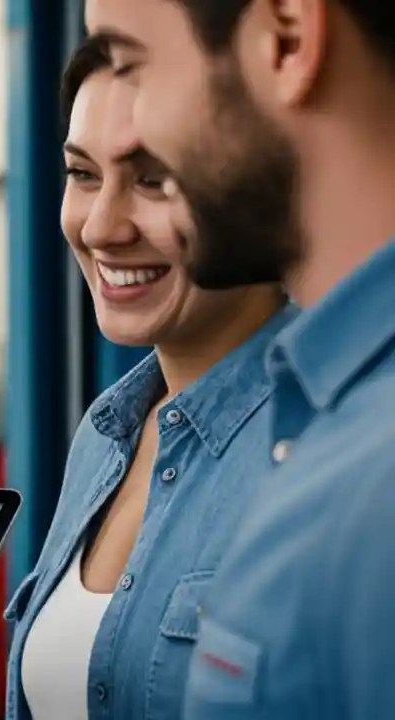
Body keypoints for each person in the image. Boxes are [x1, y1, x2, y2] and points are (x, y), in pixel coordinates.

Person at [83, 0, 395, 717]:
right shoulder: (325, 417)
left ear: (287, 38)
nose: (133, 128)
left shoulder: (373, 481)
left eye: (132, 64)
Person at [2, 37, 294, 720]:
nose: (102, 226)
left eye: (155, 179)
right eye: (83, 174)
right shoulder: (107, 435)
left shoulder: (326, 443)